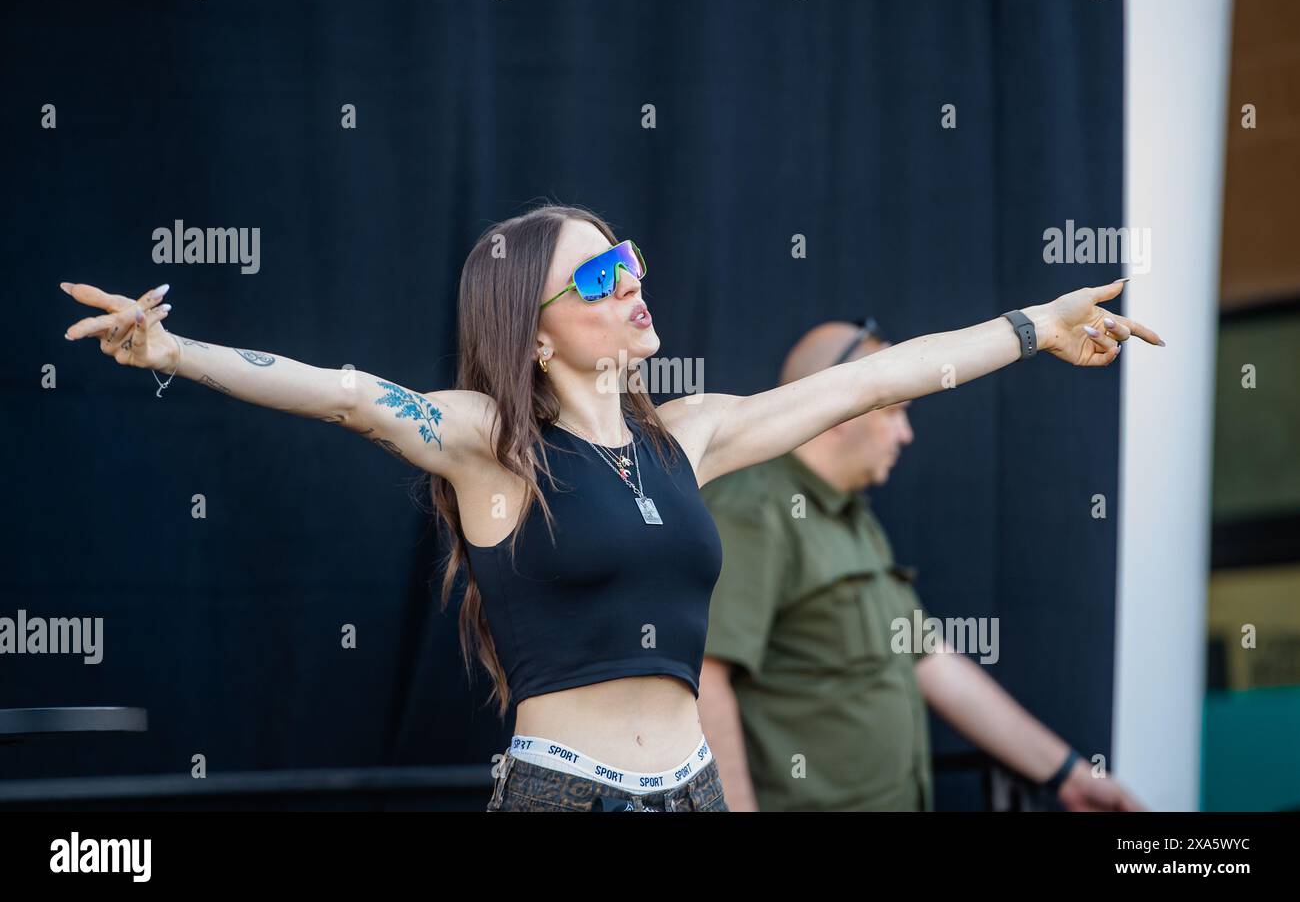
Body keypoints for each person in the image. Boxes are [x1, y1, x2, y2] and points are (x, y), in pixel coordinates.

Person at [60, 201, 1163, 812]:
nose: (629, 283)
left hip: (688, 794)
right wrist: (172, 349)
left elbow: (872, 379)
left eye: (626, 261)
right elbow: (347, 395)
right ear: (533, 331)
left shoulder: (686, 433)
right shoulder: (491, 445)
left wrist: (1031, 325)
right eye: (596, 279)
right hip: (562, 795)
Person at [697, 318, 1147, 812]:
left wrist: (1067, 774)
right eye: (896, 413)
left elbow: (929, 660)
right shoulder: (754, 506)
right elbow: (705, 680)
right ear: (842, 407)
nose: (906, 434)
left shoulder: (853, 516)